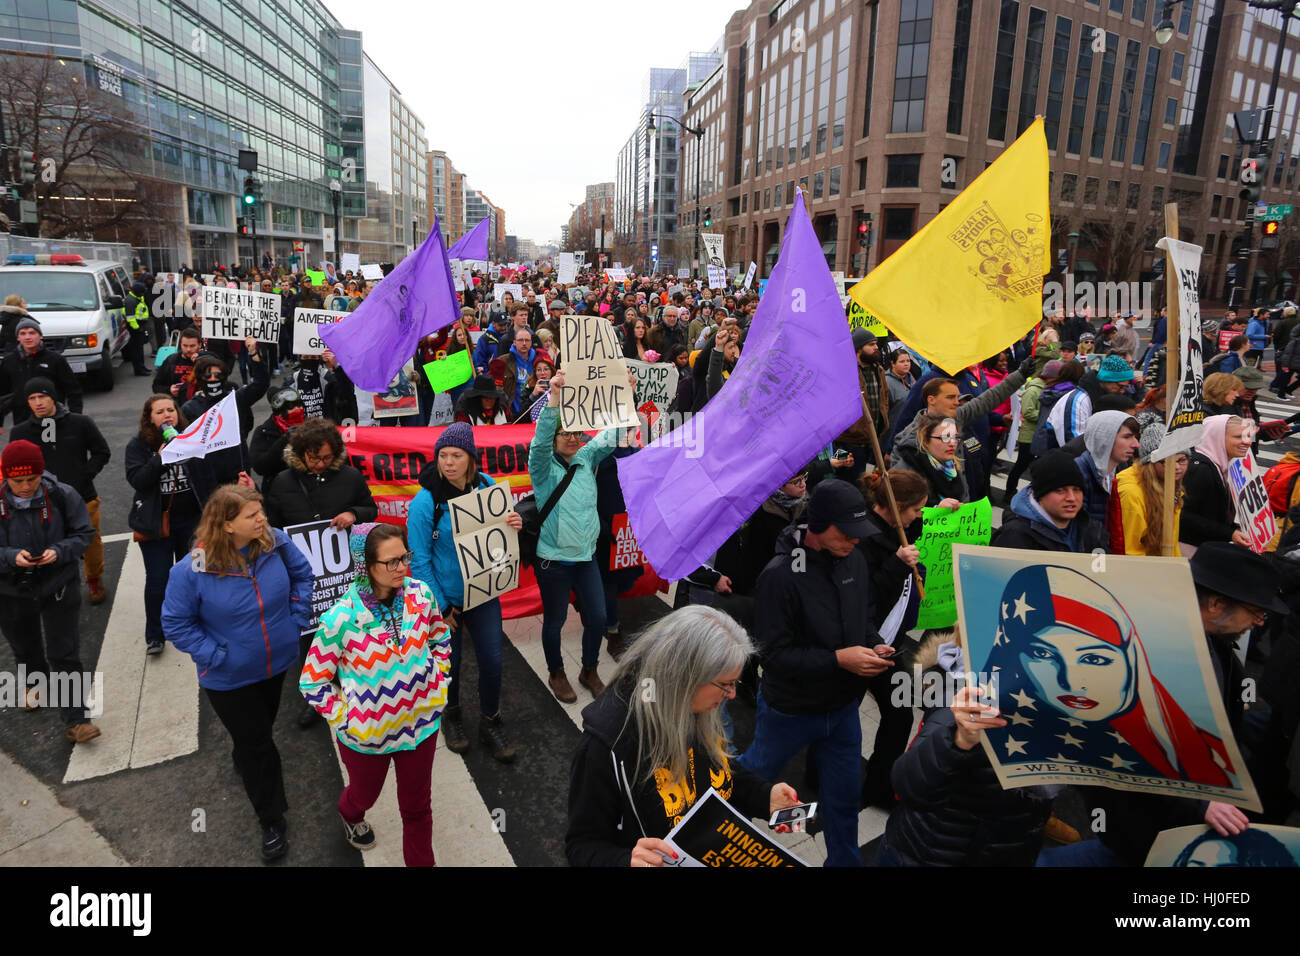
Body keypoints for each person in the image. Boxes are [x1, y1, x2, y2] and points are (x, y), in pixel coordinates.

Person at [1040, 542, 1288, 865]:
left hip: (1178, 811)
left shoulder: (1214, 644)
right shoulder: (1145, 654)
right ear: (1214, 604)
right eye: (1255, 611)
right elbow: (1127, 748)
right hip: (1140, 821)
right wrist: (1200, 805)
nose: (1258, 623)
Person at [565, 605, 801, 866]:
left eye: (735, 683)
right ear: (685, 677)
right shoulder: (606, 744)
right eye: (725, 684)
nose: (732, 695)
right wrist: (624, 861)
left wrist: (764, 796)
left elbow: (719, 772)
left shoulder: (697, 706)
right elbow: (581, 846)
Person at [161, 485, 314, 862]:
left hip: (277, 663)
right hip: (227, 677)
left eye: (261, 511)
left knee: (259, 728)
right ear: (226, 525)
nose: (262, 518)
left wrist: (295, 620)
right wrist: (215, 654)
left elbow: (303, 576)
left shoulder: (275, 542)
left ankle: (244, 750)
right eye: (252, 515)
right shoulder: (190, 570)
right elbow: (176, 624)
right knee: (259, 745)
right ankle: (272, 819)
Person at [738, 478, 886, 867]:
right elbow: (773, 656)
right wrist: (839, 659)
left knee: (842, 802)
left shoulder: (855, 558)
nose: (855, 540)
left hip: (841, 711)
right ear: (818, 525)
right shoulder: (779, 576)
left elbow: (864, 615)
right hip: (789, 711)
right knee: (744, 788)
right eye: (847, 532)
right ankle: (701, 841)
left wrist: (874, 644)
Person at [300, 522, 451, 866]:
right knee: (362, 796)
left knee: (417, 809)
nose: (402, 568)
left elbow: (440, 639)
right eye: (391, 562)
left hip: (421, 728)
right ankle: (350, 814)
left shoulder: (422, 595)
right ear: (365, 567)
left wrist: (439, 681)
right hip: (367, 738)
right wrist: (349, 718)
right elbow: (312, 682)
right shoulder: (340, 618)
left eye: (404, 558)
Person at [408, 423, 522, 762]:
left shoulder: (487, 485)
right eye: (443, 455)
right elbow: (419, 560)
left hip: (484, 594)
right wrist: (441, 607)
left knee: (493, 660)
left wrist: (513, 521)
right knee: (450, 665)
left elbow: (500, 532)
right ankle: (452, 715)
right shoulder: (425, 502)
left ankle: (491, 721)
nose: (448, 462)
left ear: (470, 458)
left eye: (456, 455)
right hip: (448, 602)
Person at [529, 367, 631, 703]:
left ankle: (589, 669)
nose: (572, 438)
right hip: (554, 561)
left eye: (576, 433)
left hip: (585, 558)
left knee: (598, 618)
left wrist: (626, 394)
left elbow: (612, 435)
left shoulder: (587, 458)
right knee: (555, 621)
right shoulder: (542, 469)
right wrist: (554, 401)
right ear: (555, 439)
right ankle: (556, 671)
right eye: (565, 434)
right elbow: (540, 441)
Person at [876, 675, 1055, 866]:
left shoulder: (1059, 719)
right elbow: (908, 784)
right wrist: (959, 740)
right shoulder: (969, 705)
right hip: (925, 855)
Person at [0, 440, 98, 743]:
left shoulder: (63, 495)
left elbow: (84, 534)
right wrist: (9, 556)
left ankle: (77, 719)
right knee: (24, 645)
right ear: (5, 477)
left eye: (33, 479)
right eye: (18, 481)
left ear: (42, 474)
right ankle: (35, 683)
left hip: (58, 584)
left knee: (65, 652)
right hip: (9, 589)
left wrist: (59, 551)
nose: (26, 487)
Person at [126, 394, 217, 655]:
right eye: (160, 412)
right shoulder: (139, 446)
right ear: (149, 418)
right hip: (156, 524)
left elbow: (208, 477)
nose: (167, 415)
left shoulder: (190, 439)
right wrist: (160, 458)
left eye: (171, 410)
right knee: (158, 580)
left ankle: (201, 622)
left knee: (199, 573)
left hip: (193, 523)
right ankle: (156, 634)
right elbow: (138, 480)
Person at [856, 469, 926, 808]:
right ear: (897, 507)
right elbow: (866, 596)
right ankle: (816, 774)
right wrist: (897, 564)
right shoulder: (865, 538)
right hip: (865, 640)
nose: (920, 516)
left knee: (900, 714)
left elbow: (920, 522)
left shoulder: (904, 528)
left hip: (891, 643)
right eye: (915, 510)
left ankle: (880, 788)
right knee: (843, 711)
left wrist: (934, 514)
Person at [11, 378, 111, 604]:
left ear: (53, 397)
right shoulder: (20, 432)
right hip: (40, 502)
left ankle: (94, 578)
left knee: (90, 541)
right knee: (47, 545)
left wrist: (84, 475)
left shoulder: (80, 423)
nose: (38, 403)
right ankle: (52, 583)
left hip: (82, 496)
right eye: (32, 398)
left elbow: (101, 452)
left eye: (42, 397)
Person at [181, 338, 269, 489]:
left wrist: (253, 353)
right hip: (208, 476)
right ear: (200, 377)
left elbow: (261, 383)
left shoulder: (235, 398)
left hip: (238, 473)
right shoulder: (190, 407)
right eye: (208, 376)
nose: (213, 379)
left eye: (217, 375)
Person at [993, 450, 1107, 553]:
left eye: (1077, 489)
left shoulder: (1091, 530)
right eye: (1060, 490)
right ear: (1040, 495)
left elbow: (1101, 570)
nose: (1071, 497)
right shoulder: (1014, 537)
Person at [1181, 415, 1255, 550]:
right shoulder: (1201, 469)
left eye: (1249, 436)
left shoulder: (1217, 464)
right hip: (1190, 550)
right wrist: (1229, 533)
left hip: (1204, 547)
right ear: (1217, 438)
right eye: (1238, 437)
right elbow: (1183, 516)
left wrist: (1234, 530)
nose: (1247, 442)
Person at [1115, 421, 1188, 557]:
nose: (1177, 467)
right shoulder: (1131, 493)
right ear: (1150, 462)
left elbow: (1172, 544)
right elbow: (1131, 551)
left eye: (1182, 460)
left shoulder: (1172, 486)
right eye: (1168, 461)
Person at [0, 318, 82, 426]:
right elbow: (3, 393)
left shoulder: (55, 359)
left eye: (32, 333)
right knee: (24, 443)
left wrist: (76, 417)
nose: (28, 337)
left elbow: (73, 390)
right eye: (23, 333)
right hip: (22, 420)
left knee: (48, 442)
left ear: (40, 336)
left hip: (51, 420)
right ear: (18, 338)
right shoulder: (9, 361)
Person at [1047, 354, 1136, 446]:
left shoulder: (1108, 398)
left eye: (1125, 387)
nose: (1122, 391)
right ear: (1106, 380)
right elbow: (1073, 443)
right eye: (1120, 386)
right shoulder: (1078, 402)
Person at [836, 328, 890, 476]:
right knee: (850, 479)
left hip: (873, 441)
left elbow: (884, 398)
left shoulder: (878, 370)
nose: (876, 348)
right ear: (859, 349)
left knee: (870, 479)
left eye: (876, 344)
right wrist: (850, 428)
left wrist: (883, 422)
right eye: (871, 345)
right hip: (848, 442)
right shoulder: (845, 371)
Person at [893, 414, 967, 507]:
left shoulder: (951, 467)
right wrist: (936, 510)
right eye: (945, 437)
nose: (952, 443)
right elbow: (903, 514)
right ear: (925, 441)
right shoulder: (908, 471)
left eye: (955, 437)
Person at [248, 387, 306, 491]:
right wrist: (285, 440)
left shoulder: (311, 426)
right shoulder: (264, 432)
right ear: (280, 412)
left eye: (299, 404)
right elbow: (259, 467)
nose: (298, 409)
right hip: (278, 491)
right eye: (291, 406)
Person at [152, 327, 204, 402]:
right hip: (176, 405)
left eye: (192, 346)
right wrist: (169, 390)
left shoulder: (205, 361)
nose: (188, 349)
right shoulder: (171, 360)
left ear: (199, 345)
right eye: (185, 346)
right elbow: (156, 386)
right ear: (180, 344)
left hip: (199, 404)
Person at [884, 345, 917, 435]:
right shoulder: (886, 382)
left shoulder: (912, 378)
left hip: (910, 429)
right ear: (893, 363)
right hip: (893, 431)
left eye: (908, 361)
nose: (906, 364)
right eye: (902, 361)